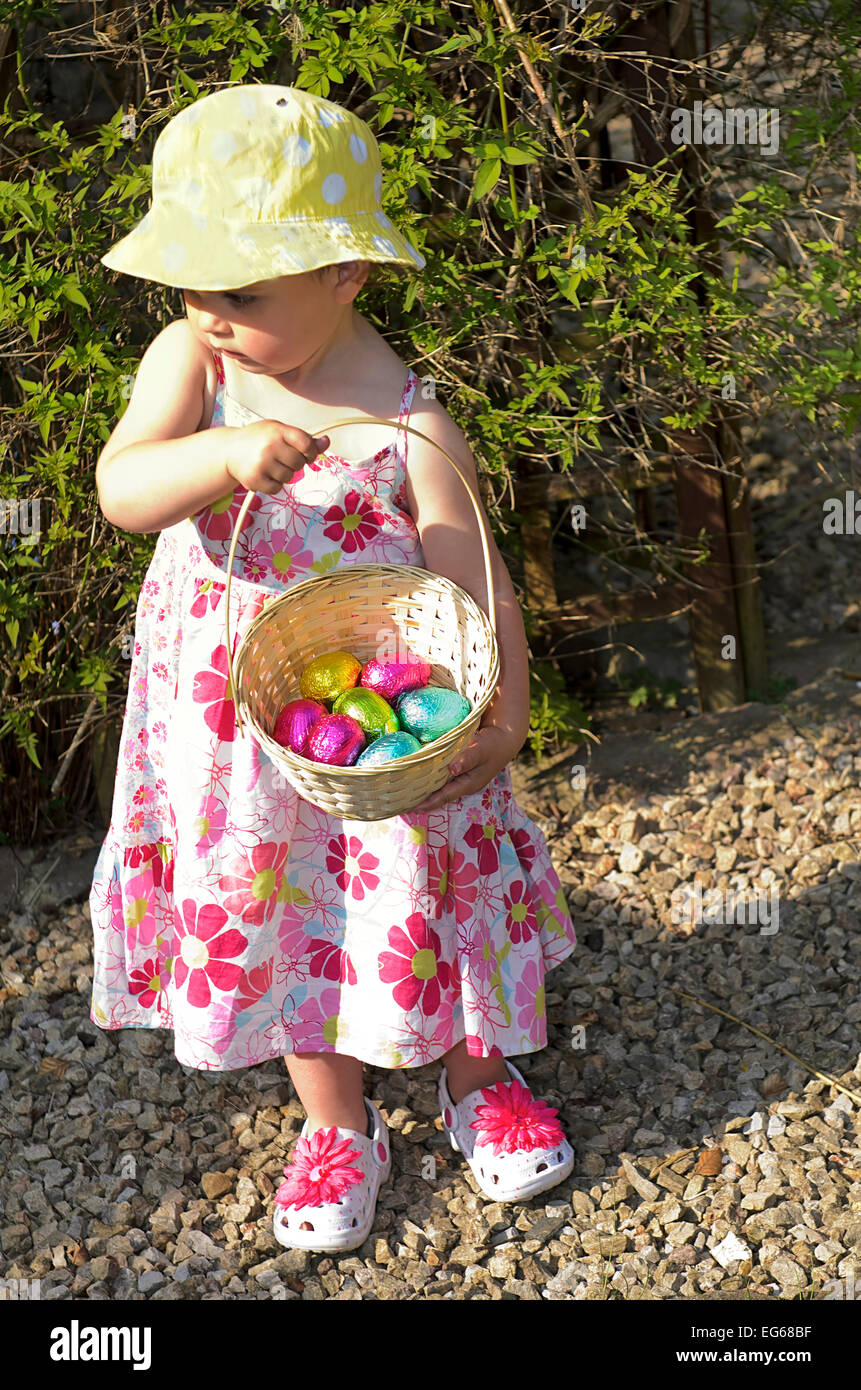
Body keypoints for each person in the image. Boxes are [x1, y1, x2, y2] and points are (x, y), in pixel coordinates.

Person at [91, 83, 578, 1254]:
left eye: (242, 292)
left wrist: (501, 716)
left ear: (347, 274)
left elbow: (476, 584)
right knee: (277, 900)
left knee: (433, 889)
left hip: (386, 736)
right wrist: (223, 449)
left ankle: (477, 1074)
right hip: (236, 738)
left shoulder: (408, 420)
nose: (209, 312)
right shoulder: (193, 367)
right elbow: (122, 491)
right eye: (194, 286)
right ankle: (337, 1119)